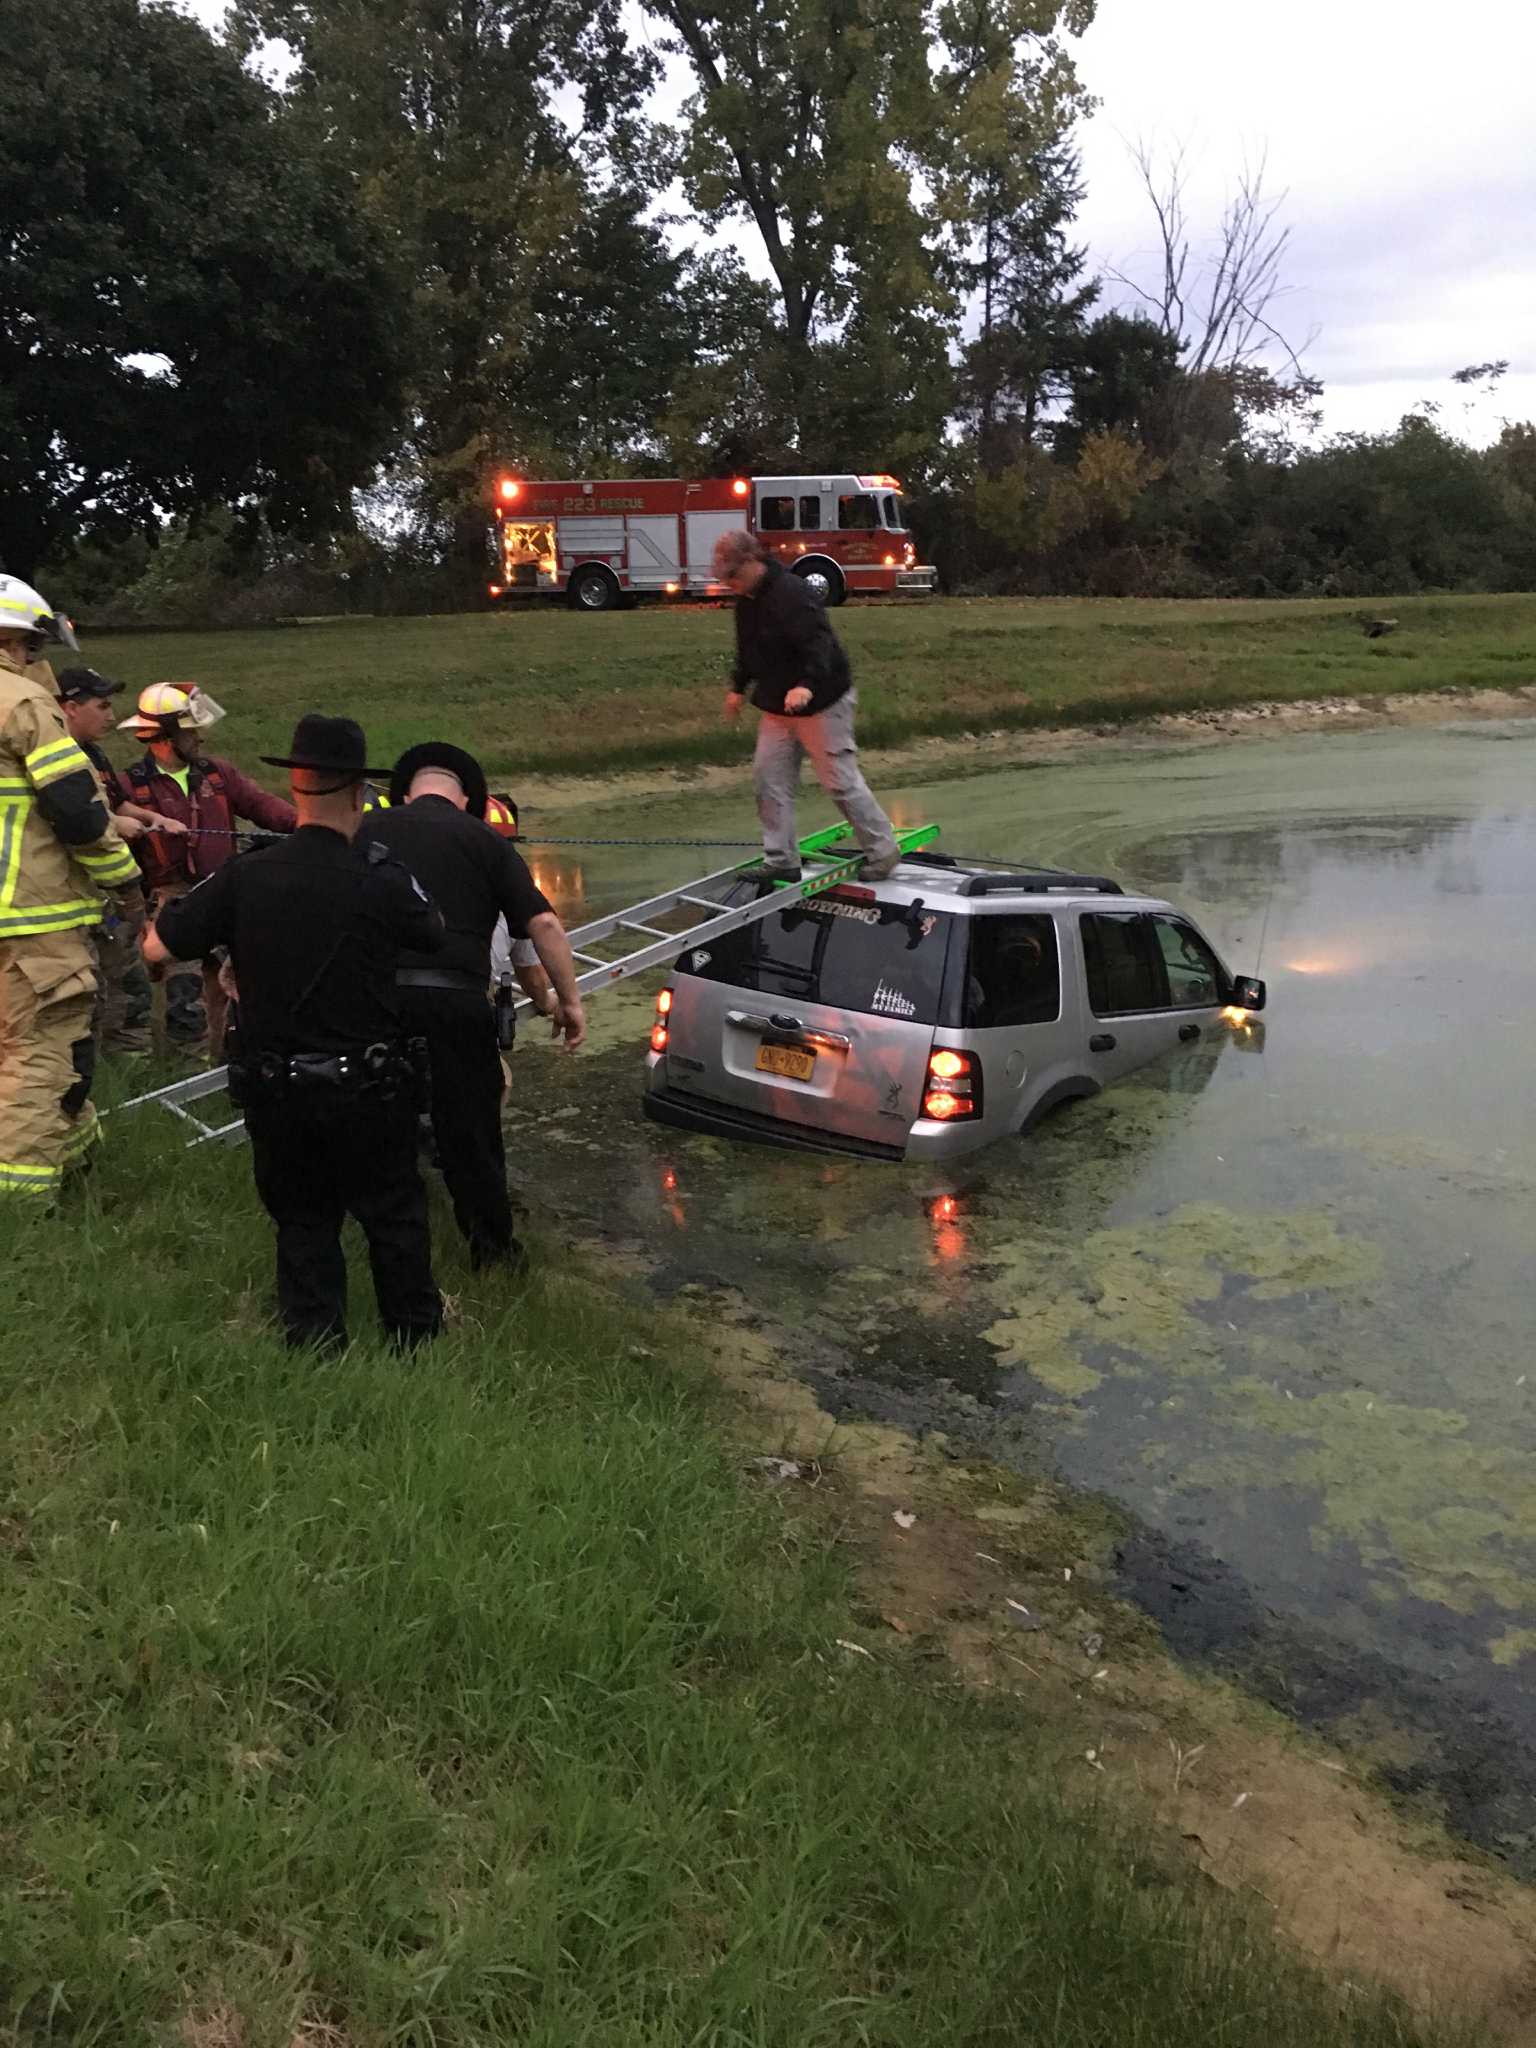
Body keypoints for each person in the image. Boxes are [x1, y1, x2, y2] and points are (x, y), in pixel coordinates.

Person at [145, 715, 445, 1350]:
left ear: (299, 788)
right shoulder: (383, 877)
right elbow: (433, 933)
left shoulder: (245, 876)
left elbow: (157, 944)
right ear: (360, 794)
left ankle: (316, 1349)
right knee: (394, 1218)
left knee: (303, 1223)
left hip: (278, 1090)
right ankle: (415, 1347)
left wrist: (232, 948)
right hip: (371, 1087)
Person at [366, 742, 585, 1271]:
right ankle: (492, 1253)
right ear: (465, 798)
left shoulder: (368, 834)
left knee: (379, 1127)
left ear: (406, 792)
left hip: (376, 1001)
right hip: (457, 1003)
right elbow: (546, 926)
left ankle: (388, 1247)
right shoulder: (487, 841)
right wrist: (570, 1002)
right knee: (472, 1136)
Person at [0, 575, 140, 1202]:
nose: (39, 663)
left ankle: (83, 1172)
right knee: (40, 1057)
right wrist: (127, 883)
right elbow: (78, 813)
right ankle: (23, 1208)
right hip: (30, 921)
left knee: (30, 1054)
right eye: (32, 648)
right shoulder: (21, 704)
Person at [118, 681, 296, 1057]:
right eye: (190, 730)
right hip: (172, 901)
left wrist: (310, 826)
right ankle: (188, 1078)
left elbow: (264, 807)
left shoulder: (219, 775)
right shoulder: (130, 789)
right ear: (166, 735)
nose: (199, 738)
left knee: (231, 988)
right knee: (186, 998)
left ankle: (226, 1064)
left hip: (224, 893)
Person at [714, 529, 900, 881]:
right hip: (777, 706)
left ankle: (883, 852)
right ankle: (781, 859)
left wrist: (806, 686)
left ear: (752, 562)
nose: (729, 584)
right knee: (768, 780)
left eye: (733, 576)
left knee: (839, 782)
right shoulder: (746, 602)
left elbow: (821, 645)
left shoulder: (792, 593)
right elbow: (748, 650)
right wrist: (738, 688)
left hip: (823, 702)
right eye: (725, 579)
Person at [56, 666, 177, 1058]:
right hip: (68, 899)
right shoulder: (54, 756)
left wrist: (149, 818)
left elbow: (112, 799)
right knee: (85, 998)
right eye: (102, 705)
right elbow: (68, 816)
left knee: (129, 988)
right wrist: (113, 823)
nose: (112, 716)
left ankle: (131, 1071)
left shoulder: (93, 751)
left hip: (106, 899)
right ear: (70, 708)